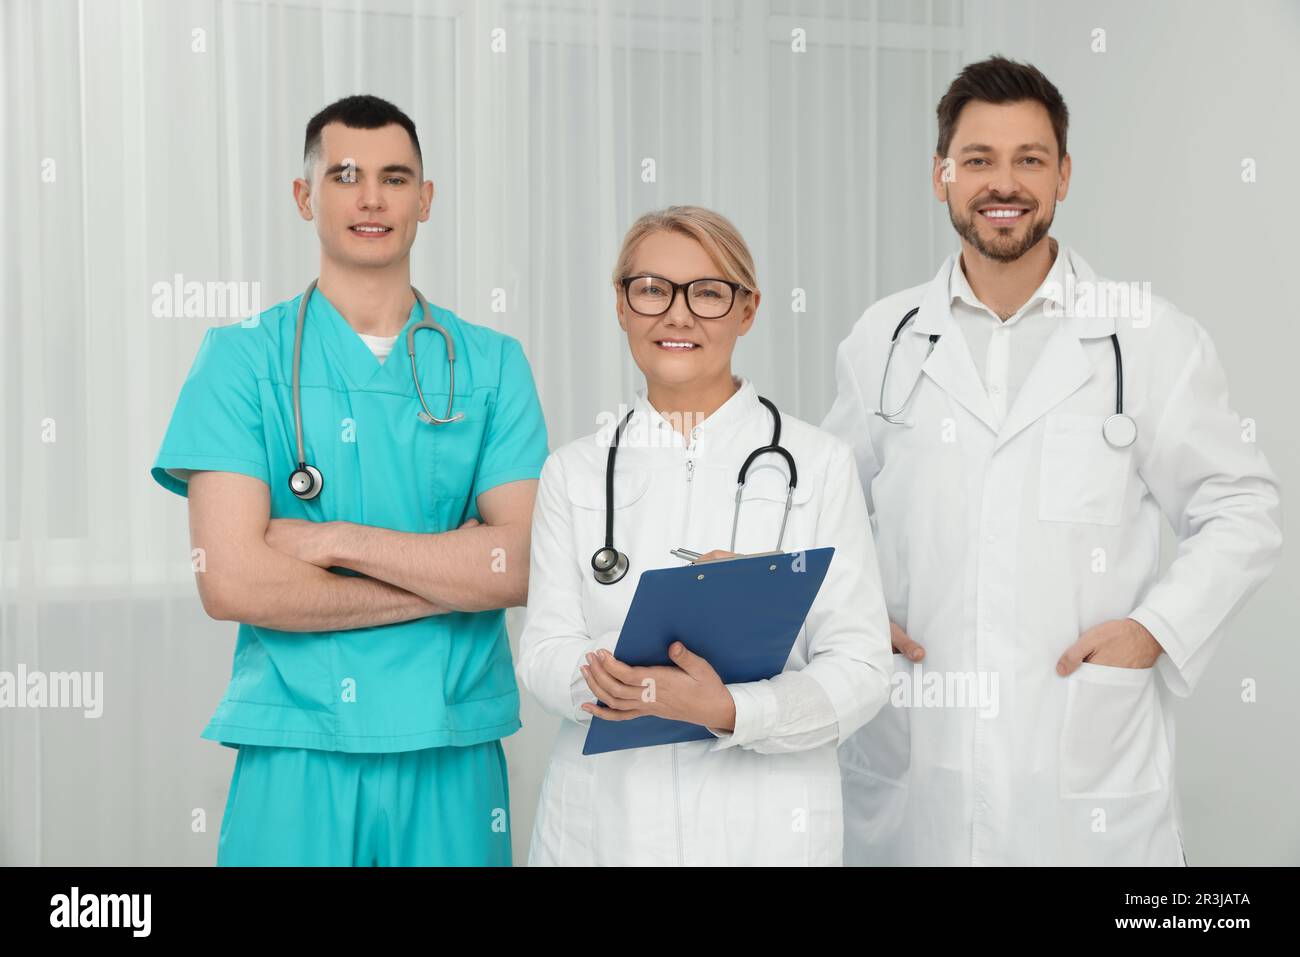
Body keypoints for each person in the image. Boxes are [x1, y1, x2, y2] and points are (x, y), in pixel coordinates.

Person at [822, 56, 1283, 866]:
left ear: (1064, 174)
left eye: (1030, 159)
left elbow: (1243, 507)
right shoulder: (883, 340)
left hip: (1082, 786)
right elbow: (825, 509)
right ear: (942, 175)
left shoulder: (1147, 337)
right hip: (914, 771)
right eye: (979, 160)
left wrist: (1154, 629)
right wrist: (854, 619)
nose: (1005, 184)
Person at [150, 94, 548, 866]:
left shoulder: (492, 365)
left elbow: (521, 564)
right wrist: (445, 575)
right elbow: (233, 582)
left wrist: (333, 539)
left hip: (451, 742)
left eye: (395, 178)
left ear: (425, 200)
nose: (371, 197)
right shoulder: (240, 360)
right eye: (344, 175)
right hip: (297, 747)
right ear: (305, 196)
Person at [517, 205, 892, 866]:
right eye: (653, 289)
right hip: (607, 828)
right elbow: (544, 651)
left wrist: (733, 709)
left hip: (767, 830)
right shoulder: (574, 472)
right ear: (623, 306)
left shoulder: (818, 464)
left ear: (748, 310)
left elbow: (861, 669)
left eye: (709, 292)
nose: (679, 314)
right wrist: (619, 677)